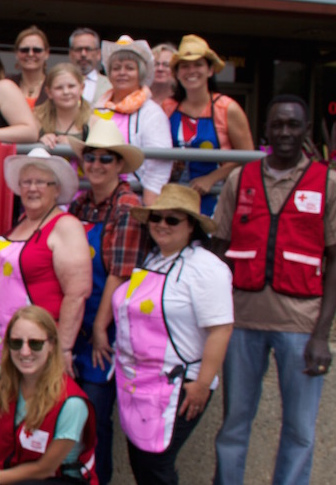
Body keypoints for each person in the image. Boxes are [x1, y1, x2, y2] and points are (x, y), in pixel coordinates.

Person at [212, 97, 336, 485]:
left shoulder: (330, 183)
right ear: (266, 131)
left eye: (293, 125)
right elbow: (219, 248)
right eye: (278, 125)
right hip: (241, 323)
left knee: (299, 429)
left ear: (306, 130)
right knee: (234, 424)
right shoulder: (240, 180)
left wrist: (322, 335)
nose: (285, 133)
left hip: (300, 325)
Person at [118, 184, 234, 484]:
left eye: (172, 220)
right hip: (139, 381)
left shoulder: (207, 268)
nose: (161, 225)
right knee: (142, 462)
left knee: (157, 463)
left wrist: (202, 384)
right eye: (156, 218)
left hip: (180, 383)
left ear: (191, 225)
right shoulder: (152, 259)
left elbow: (221, 329)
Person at [65, 119, 149, 485]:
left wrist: (100, 328)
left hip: (106, 328)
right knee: (71, 418)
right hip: (75, 324)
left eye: (105, 159)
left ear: (119, 165)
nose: (96, 165)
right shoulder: (80, 205)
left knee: (97, 418)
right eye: (91, 158)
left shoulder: (128, 205)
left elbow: (119, 273)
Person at [0, 148, 90, 368]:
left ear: (56, 190)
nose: (32, 188)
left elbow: (77, 294)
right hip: (6, 343)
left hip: (40, 347)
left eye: (41, 182)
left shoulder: (65, 225)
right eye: (26, 182)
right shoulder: (22, 222)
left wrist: (63, 348)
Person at [0, 305, 99, 485]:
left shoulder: (71, 403)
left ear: (51, 345)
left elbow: (46, 468)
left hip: (57, 477)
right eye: (16, 342)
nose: (25, 351)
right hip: (11, 470)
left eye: (35, 343)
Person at [159, 35, 254, 215]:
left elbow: (247, 157)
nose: (191, 71)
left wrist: (211, 179)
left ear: (210, 70)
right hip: (173, 198)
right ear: (177, 73)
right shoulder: (168, 107)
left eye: (198, 65)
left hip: (217, 197)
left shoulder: (227, 108)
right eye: (185, 66)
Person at [91, 35, 173, 205]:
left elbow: (159, 164)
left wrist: (149, 207)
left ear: (140, 73)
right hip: (97, 194)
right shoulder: (99, 107)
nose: (122, 72)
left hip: (134, 197)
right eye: (116, 67)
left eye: (129, 68)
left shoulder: (151, 112)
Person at [36, 63, 91, 149]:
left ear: (82, 88)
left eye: (71, 86)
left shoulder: (93, 122)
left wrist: (75, 145)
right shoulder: (36, 118)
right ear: (49, 92)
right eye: (59, 88)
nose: (66, 92)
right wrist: (39, 140)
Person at [7, 26, 51, 109]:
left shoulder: (55, 85)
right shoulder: (6, 83)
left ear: (46, 53)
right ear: (16, 53)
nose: (30, 54)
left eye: (37, 50)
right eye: (24, 50)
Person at [68, 28, 112, 104]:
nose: (83, 54)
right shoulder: (58, 83)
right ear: (70, 54)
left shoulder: (111, 85)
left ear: (98, 54)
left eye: (88, 49)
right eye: (78, 49)